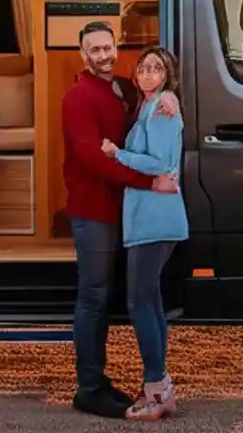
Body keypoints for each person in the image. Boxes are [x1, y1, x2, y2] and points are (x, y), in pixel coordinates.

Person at [61, 21, 179, 419]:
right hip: (93, 211)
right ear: (83, 55)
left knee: (113, 296)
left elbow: (152, 104)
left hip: (124, 211)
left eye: (108, 47)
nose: (104, 55)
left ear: (116, 47)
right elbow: (91, 156)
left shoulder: (124, 90)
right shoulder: (78, 97)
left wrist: (170, 100)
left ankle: (104, 381)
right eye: (94, 50)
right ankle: (89, 388)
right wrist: (147, 180)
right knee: (93, 297)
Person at [100, 46, 188, 421]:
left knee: (140, 302)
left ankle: (157, 387)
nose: (149, 73)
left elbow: (161, 164)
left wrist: (117, 154)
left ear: (167, 77)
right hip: (148, 219)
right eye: (144, 68)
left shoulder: (162, 110)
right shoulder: (148, 107)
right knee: (149, 301)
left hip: (155, 219)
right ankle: (160, 389)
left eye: (157, 69)